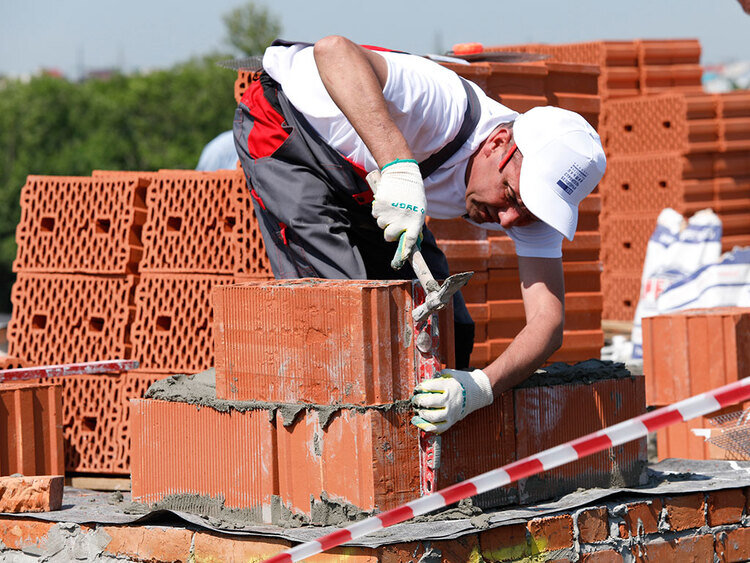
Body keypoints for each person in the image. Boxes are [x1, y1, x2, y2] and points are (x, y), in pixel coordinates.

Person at [233, 35, 606, 434]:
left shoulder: (527, 206)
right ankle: (337, 450)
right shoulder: (443, 104)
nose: (510, 219)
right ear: (499, 143)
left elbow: (547, 323)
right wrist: (397, 163)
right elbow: (332, 51)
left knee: (450, 325)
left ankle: (421, 458)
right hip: (290, 129)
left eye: (527, 212)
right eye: (511, 196)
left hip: (369, 176)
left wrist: (480, 387)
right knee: (342, 306)